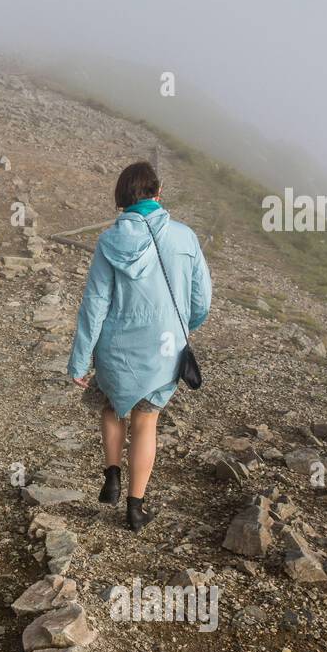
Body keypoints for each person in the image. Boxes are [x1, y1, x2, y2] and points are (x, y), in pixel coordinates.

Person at [67, 161, 211, 531]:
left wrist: (79, 360)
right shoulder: (184, 237)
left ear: (121, 199)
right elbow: (202, 301)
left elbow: (95, 304)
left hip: (116, 347)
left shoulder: (109, 240)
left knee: (114, 408)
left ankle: (111, 475)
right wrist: (182, 329)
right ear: (157, 193)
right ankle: (135, 507)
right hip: (164, 349)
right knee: (146, 422)